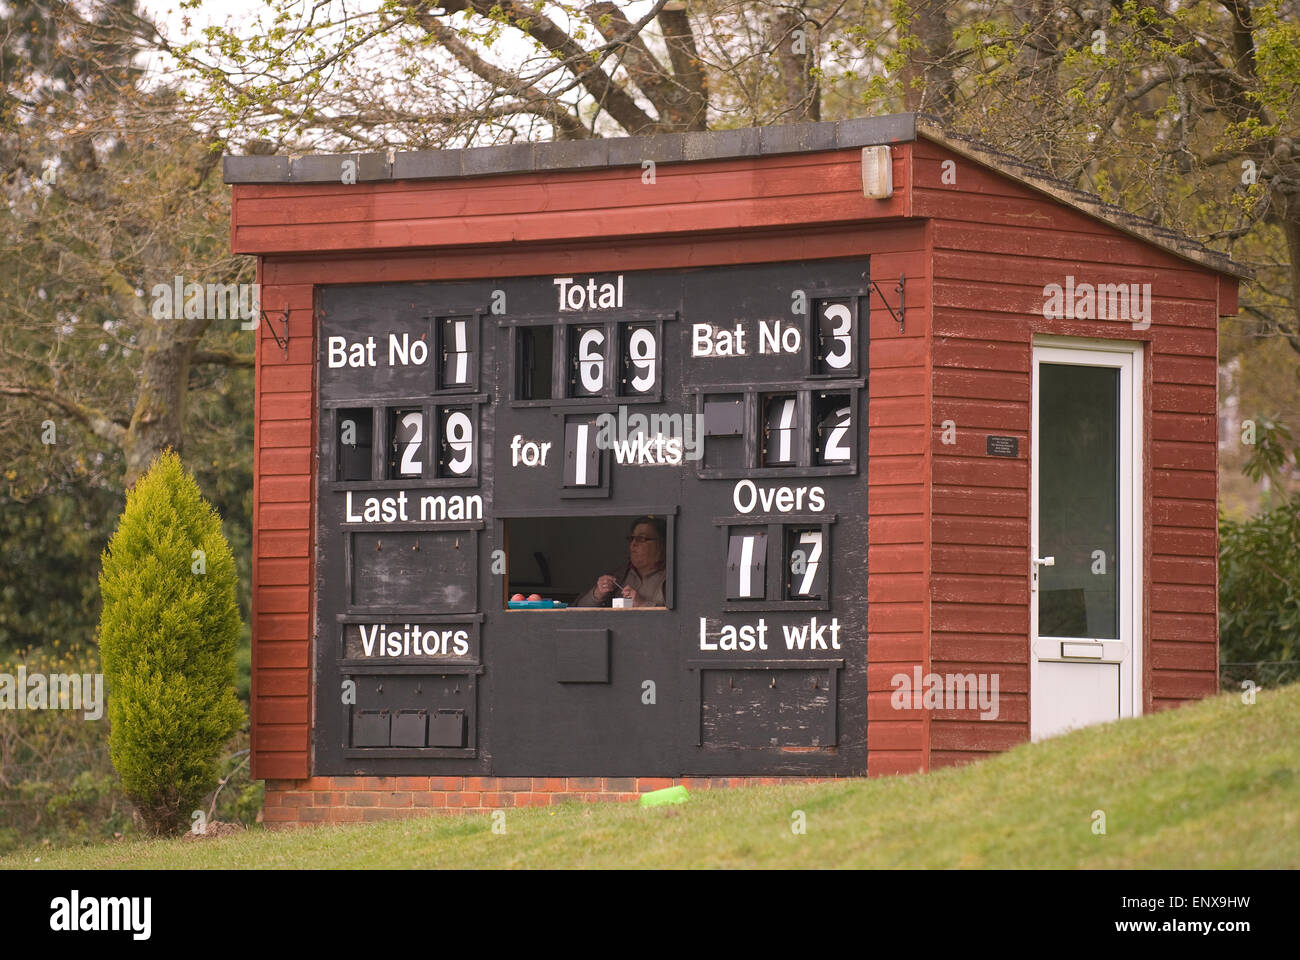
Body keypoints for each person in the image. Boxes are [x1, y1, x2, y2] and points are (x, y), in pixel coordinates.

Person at [574, 516, 667, 608]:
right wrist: (598, 594)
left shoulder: (672, 578)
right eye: (632, 539)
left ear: (661, 544)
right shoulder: (620, 575)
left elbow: (677, 618)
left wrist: (642, 604)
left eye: (641, 539)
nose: (633, 544)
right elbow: (577, 611)